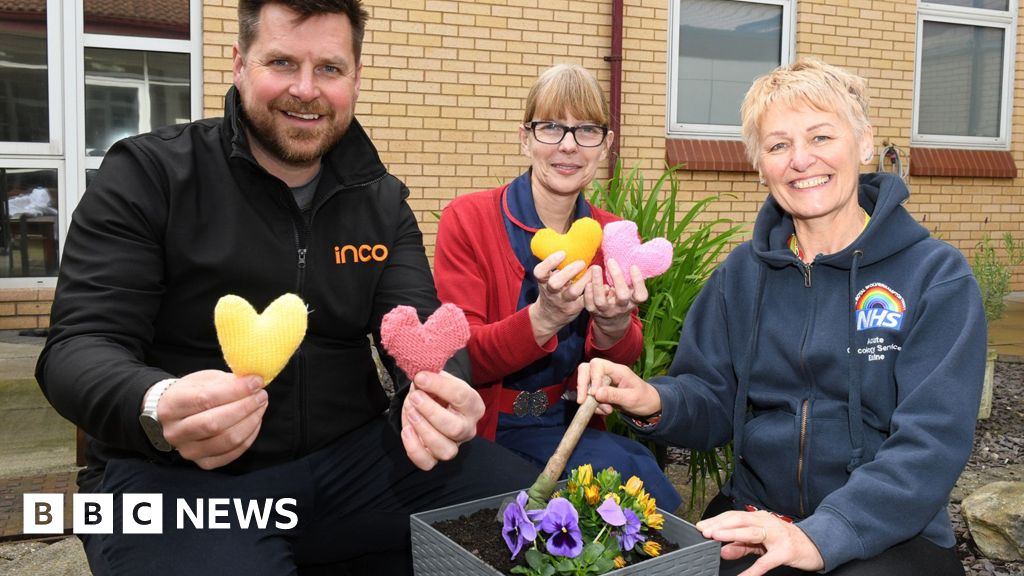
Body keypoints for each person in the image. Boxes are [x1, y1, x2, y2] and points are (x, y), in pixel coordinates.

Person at [35, 1, 539, 574]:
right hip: (174, 476)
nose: (305, 89)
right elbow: (77, 347)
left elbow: (421, 330)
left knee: (537, 520)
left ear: (355, 78)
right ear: (239, 64)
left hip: (354, 464)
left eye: (329, 68)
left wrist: (441, 396)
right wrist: (155, 403)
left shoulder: (381, 201)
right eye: (281, 62)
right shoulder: (149, 174)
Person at [576, 59, 984, 576]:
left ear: (863, 143)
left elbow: (931, 443)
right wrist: (655, 400)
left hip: (886, 532)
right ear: (760, 165)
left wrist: (819, 536)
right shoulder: (741, 275)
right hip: (755, 516)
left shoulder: (934, 276)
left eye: (820, 136)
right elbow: (711, 398)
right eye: (778, 145)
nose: (801, 160)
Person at [433, 63, 681, 512]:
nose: (568, 145)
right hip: (483, 428)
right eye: (551, 127)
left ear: (605, 145)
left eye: (586, 130)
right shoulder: (468, 219)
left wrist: (614, 323)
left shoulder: (610, 233)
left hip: (569, 426)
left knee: (641, 484)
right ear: (525, 138)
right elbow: (460, 358)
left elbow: (619, 358)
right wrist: (543, 318)